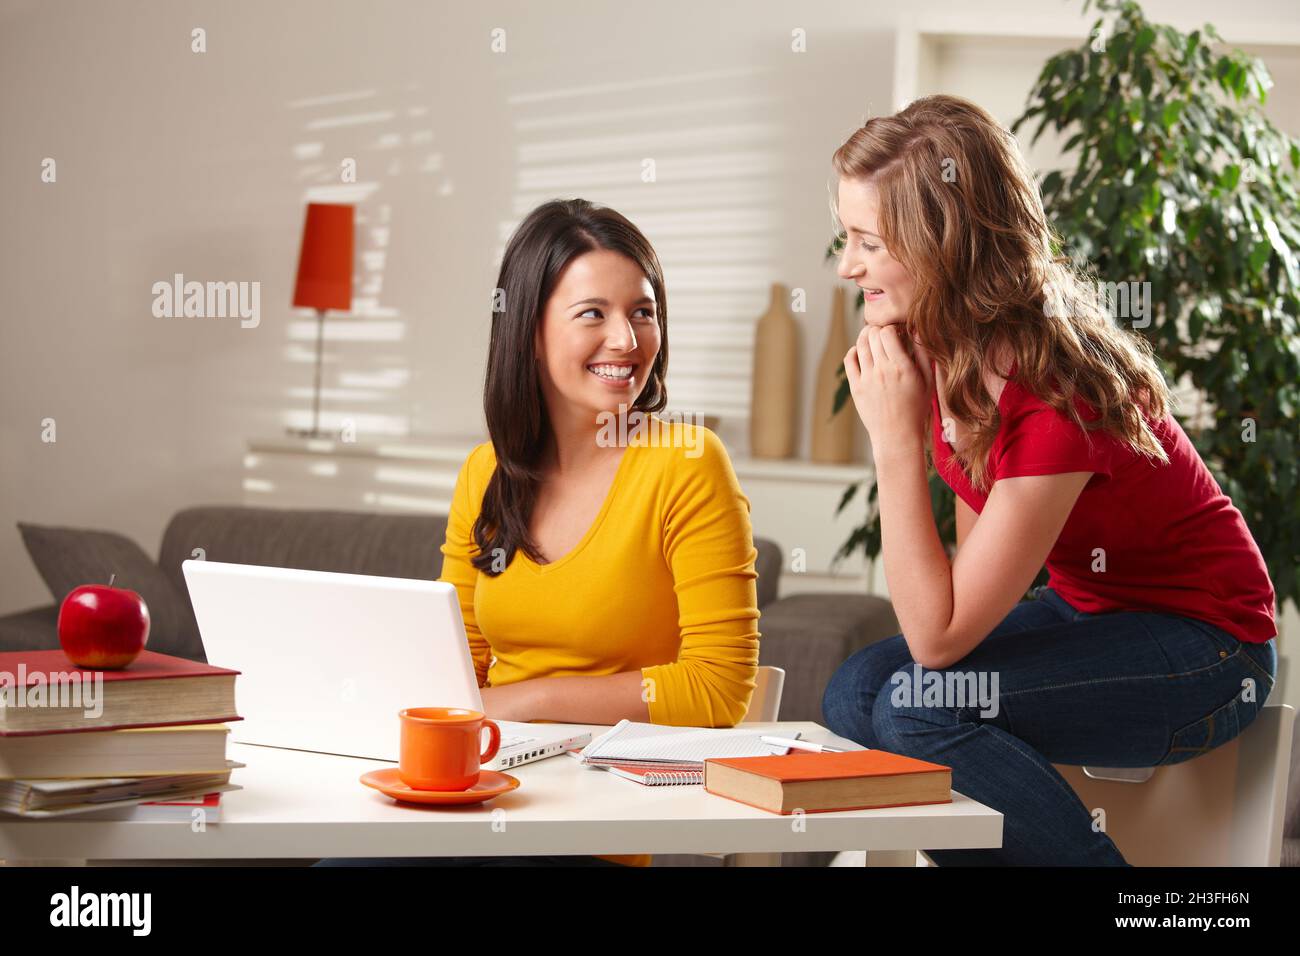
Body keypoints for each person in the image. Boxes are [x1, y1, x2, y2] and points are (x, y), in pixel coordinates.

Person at [820, 94, 1278, 866]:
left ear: (944, 245)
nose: (846, 265)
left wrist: (894, 447)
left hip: (1210, 651)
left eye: (869, 241)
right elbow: (962, 608)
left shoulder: (1054, 390)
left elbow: (934, 641)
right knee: (856, 692)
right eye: (847, 237)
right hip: (1089, 612)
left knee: (918, 706)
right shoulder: (947, 353)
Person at [316, 198, 760, 868]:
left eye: (643, 311)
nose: (627, 339)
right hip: (476, 793)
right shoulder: (486, 471)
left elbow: (719, 686)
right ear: (528, 329)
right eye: (594, 314)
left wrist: (535, 698)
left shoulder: (687, 465)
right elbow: (454, 669)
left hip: (592, 827)